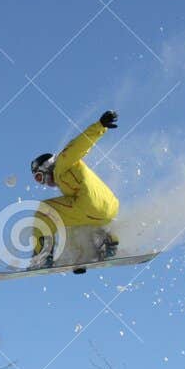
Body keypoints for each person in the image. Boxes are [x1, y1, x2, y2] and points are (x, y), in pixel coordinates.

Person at [29, 110, 121, 271]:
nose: (44, 183)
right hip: (110, 209)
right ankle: (103, 246)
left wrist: (100, 126)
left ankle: (41, 256)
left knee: (44, 211)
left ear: (47, 167)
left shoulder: (62, 165)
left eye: (39, 177)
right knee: (71, 222)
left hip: (89, 205)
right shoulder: (69, 182)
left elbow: (79, 145)